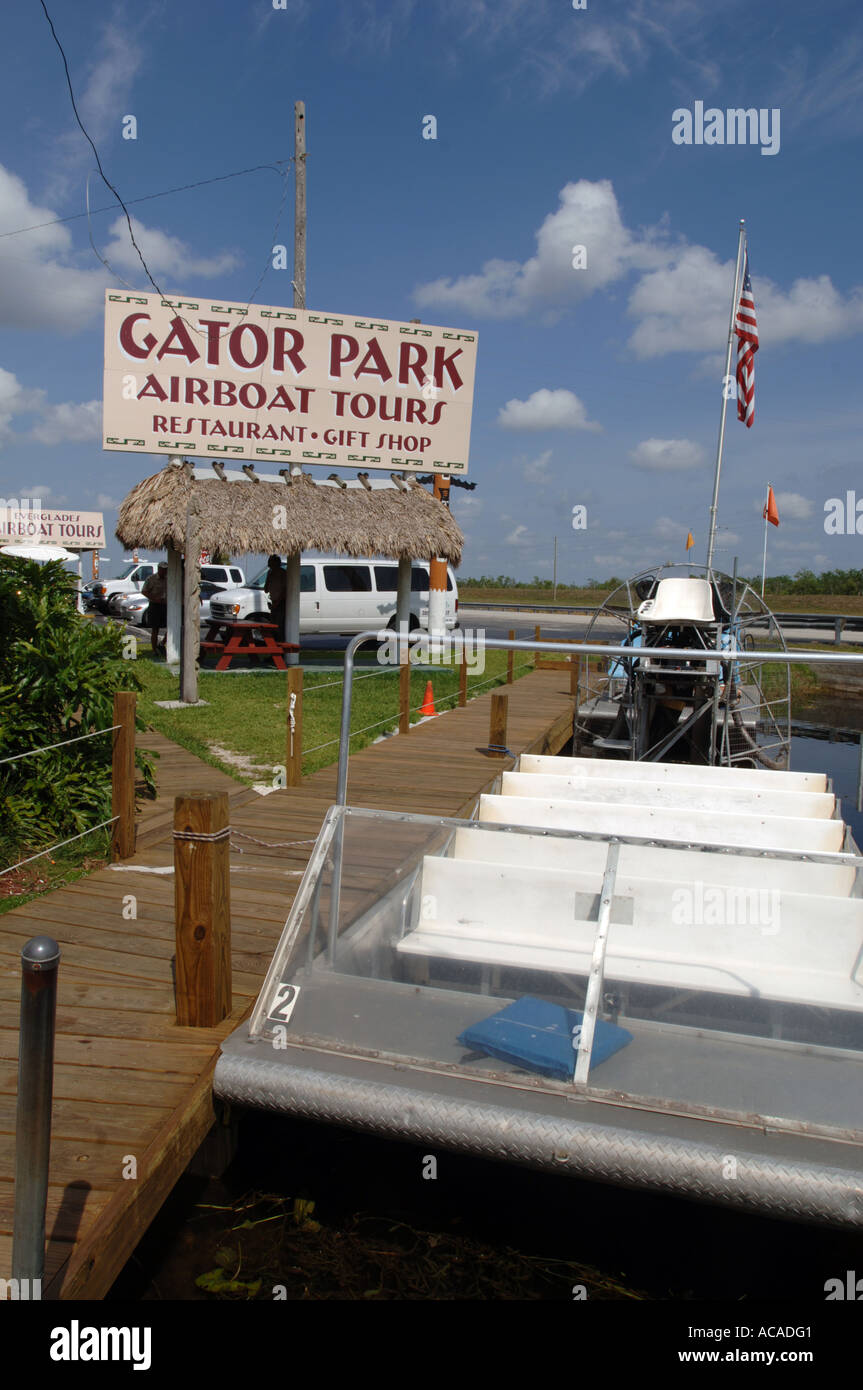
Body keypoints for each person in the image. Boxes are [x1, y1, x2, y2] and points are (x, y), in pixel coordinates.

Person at [142, 561, 168, 654]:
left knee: (171, 627)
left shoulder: (169, 579)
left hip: (166, 605)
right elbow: (144, 591)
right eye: (163, 569)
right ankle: (154, 650)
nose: (164, 571)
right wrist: (154, 598)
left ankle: (162, 643)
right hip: (155, 605)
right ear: (159, 569)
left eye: (166, 570)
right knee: (155, 629)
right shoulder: (151, 579)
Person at [264, 554, 286, 636]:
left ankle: (279, 639)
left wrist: (277, 602)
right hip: (273, 601)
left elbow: (284, 590)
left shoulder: (282, 573)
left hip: (280, 602)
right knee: (273, 622)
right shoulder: (270, 573)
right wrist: (268, 577)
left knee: (279, 623)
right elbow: (266, 589)